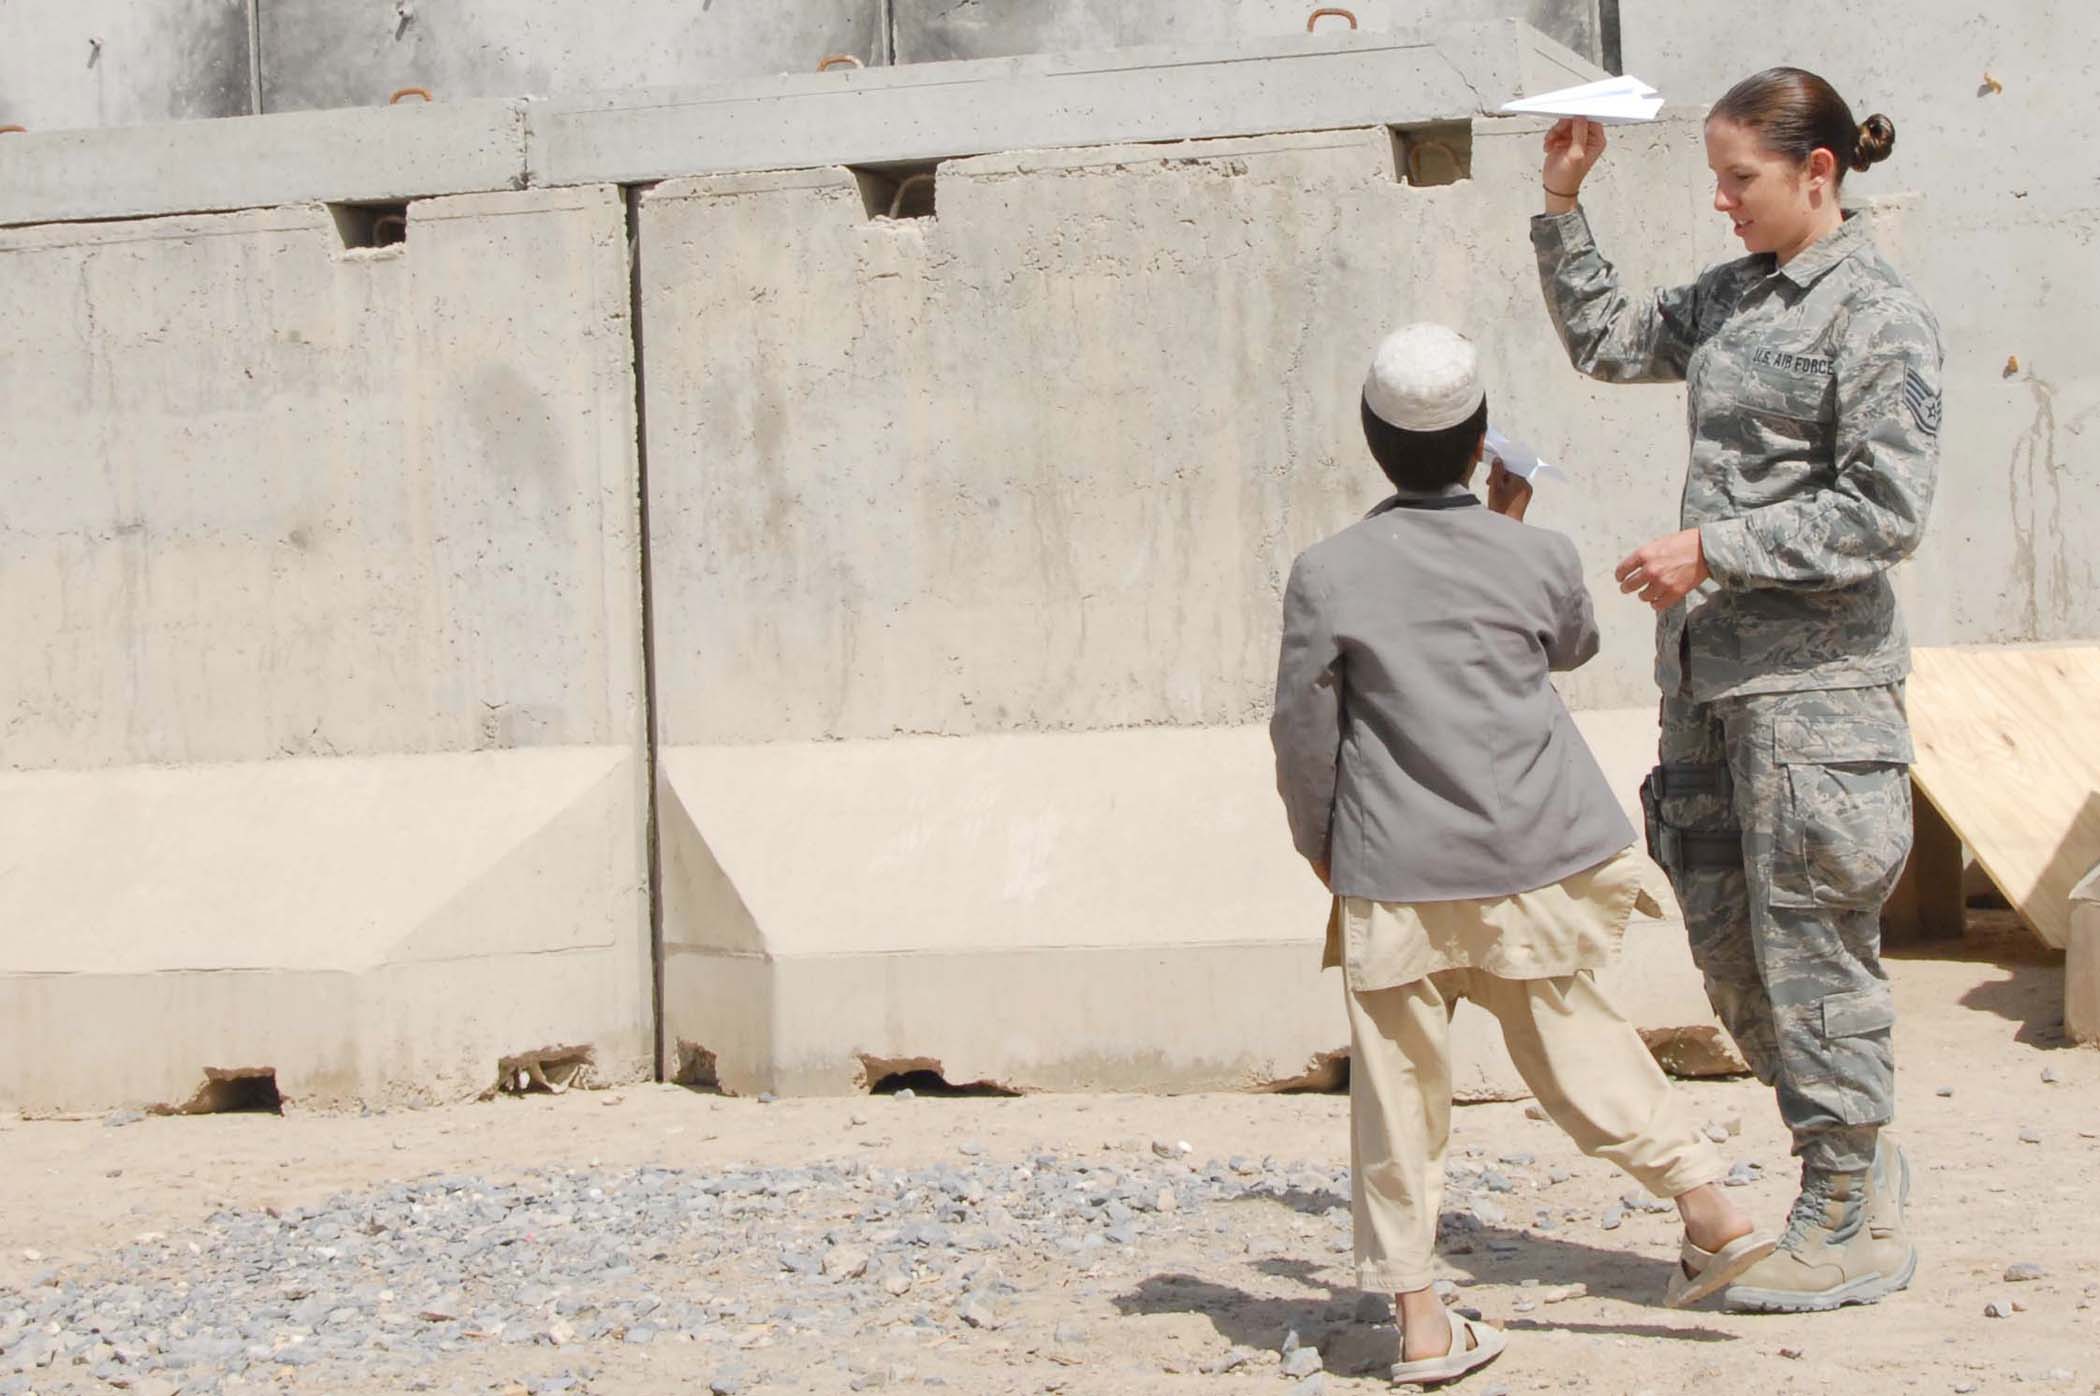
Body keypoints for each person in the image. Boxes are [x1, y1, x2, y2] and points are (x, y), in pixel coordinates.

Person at [1270, 323, 1773, 1386]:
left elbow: (1304, 733)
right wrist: (1507, 529)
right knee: (1574, 1035)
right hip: (1531, 856)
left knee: (1398, 1092)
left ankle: (1419, 1323)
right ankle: (1710, 1211)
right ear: (1479, 442)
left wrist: (1323, 847)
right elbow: (1569, 642)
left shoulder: (1327, 573)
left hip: (1394, 869)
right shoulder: (1535, 552)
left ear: (1373, 440)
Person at [1530, 67, 1943, 1312]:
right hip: (1711, 684)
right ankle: (1856, 1159)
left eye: (1741, 179)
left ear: (1817, 173)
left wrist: (1717, 548)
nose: (1722, 201)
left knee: (1815, 949)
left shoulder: (1876, 315)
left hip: (1814, 696)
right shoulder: (1735, 297)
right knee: (1727, 949)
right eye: (1715, 178)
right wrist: (1561, 202)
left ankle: (1843, 1200)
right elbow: (1609, 341)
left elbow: (1887, 510)